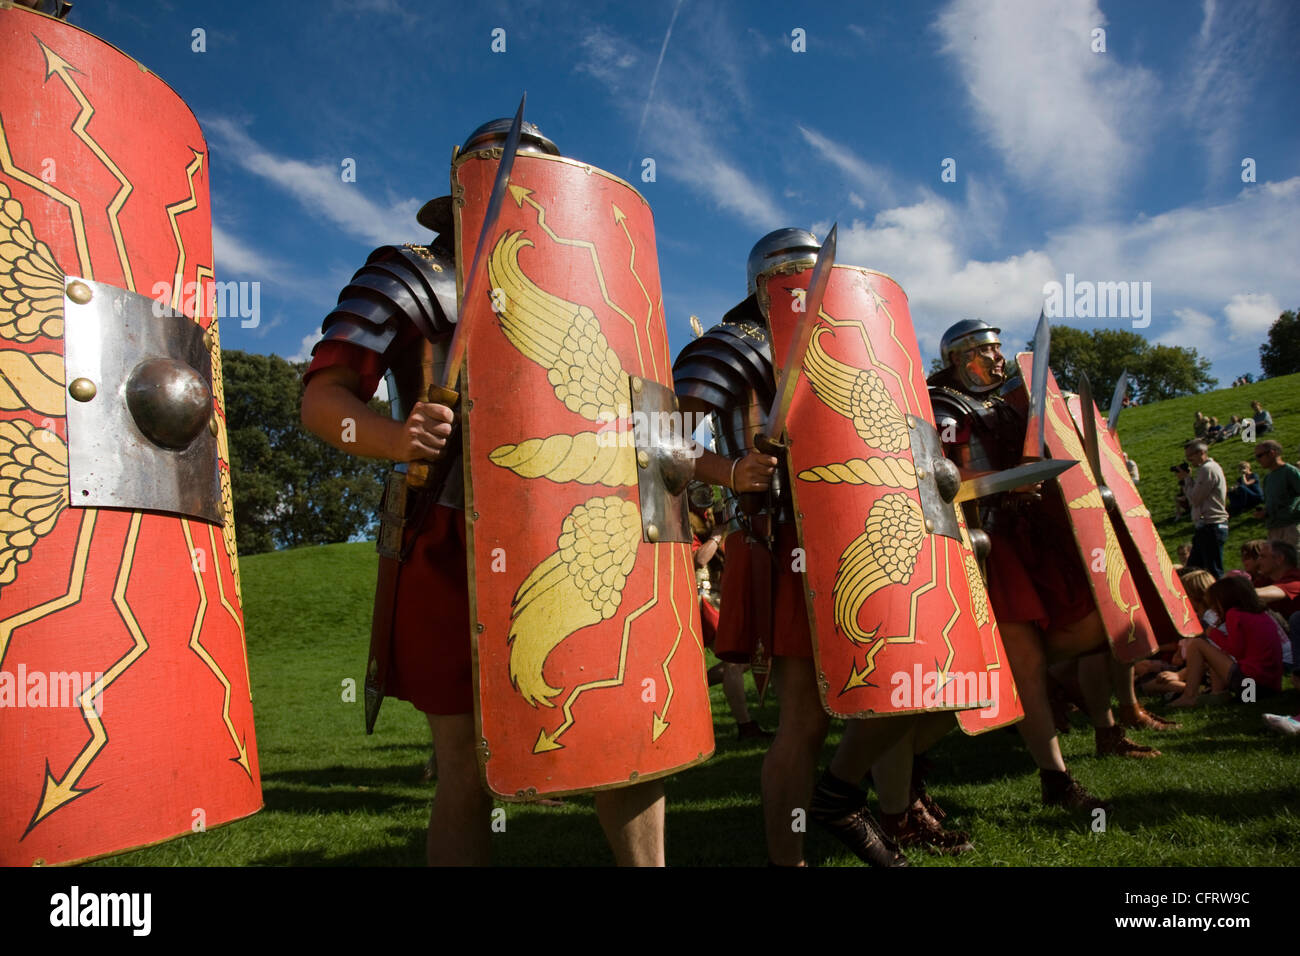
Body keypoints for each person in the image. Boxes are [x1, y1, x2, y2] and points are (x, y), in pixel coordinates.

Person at [301, 118, 670, 866]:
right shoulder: (414, 274)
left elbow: (651, 421)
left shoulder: (596, 295)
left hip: (596, 533)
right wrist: (394, 439)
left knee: (623, 737)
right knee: (468, 770)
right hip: (452, 542)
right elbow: (322, 400)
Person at [674, 229, 971, 866]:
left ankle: (838, 795)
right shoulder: (737, 344)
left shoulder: (855, 346)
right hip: (784, 540)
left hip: (870, 532)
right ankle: (791, 858)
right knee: (804, 720)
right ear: (762, 285)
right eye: (792, 275)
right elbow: (657, 433)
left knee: (907, 684)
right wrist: (728, 472)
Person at [929, 319, 1155, 812]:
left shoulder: (1011, 406)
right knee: (1023, 665)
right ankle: (1056, 780)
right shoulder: (941, 405)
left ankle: (1064, 703)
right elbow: (936, 477)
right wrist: (1003, 480)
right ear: (956, 360)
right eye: (982, 352)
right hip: (983, 546)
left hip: (1035, 539)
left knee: (1094, 624)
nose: (996, 359)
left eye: (997, 349)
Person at [1171, 576, 1285, 707]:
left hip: (1251, 684)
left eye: (1214, 603)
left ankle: (1189, 696)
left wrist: (1213, 633)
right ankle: (1217, 694)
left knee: (1197, 644)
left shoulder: (1234, 614)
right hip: (1270, 687)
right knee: (1214, 651)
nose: (1214, 608)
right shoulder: (1261, 614)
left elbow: (1235, 650)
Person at [1182, 440, 1228, 579]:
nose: (1189, 460)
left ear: (1201, 452)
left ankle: (1221, 598)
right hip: (1206, 527)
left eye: (1191, 455)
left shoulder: (1207, 469)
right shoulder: (1207, 469)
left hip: (1211, 525)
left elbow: (1195, 499)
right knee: (1193, 571)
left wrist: (1186, 480)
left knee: (1212, 570)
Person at [1252, 440, 1300, 548]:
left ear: (1272, 453)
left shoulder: (1290, 472)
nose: (1258, 460)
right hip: (1274, 528)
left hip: (1291, 528)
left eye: (1259, 456)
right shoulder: (1268, 478)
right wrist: (1265, 512)